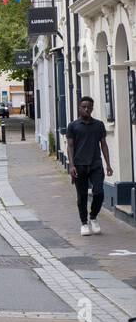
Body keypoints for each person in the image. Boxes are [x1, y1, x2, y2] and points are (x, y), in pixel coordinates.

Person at [66, 96, 113, 237]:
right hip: (79, 165)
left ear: (92, 108)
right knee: (82, 196)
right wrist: (72, 166)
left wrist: (108, 164)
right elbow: (70, 146)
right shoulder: (73, 126)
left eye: (89, 107)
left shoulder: (98, 125)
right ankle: (84, 223)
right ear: (79, 108)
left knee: (99, 193)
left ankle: (93, 217)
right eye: (84, 107)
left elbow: (103, 144)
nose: (87, 109)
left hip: (95, 164)